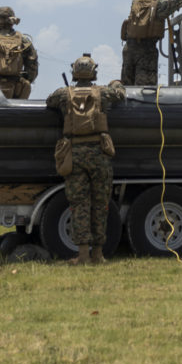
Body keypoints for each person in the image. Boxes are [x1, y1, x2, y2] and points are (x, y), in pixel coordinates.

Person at [46, 55, 126, 265]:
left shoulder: (64, 94)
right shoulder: (103, 93)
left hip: (75, 154)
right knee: (100, 204)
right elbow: (120, 94)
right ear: (94, 72)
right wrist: (116, 83)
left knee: (79, 204)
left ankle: (82, 255)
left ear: (74, 73)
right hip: (99, 154)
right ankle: (98, 254)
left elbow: (49, 101)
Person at [120, 0, 182, 86]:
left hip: (129, 49)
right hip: (146, 50)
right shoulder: (161, 2)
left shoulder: (136, 1)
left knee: (127, 86)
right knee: (145, 88)